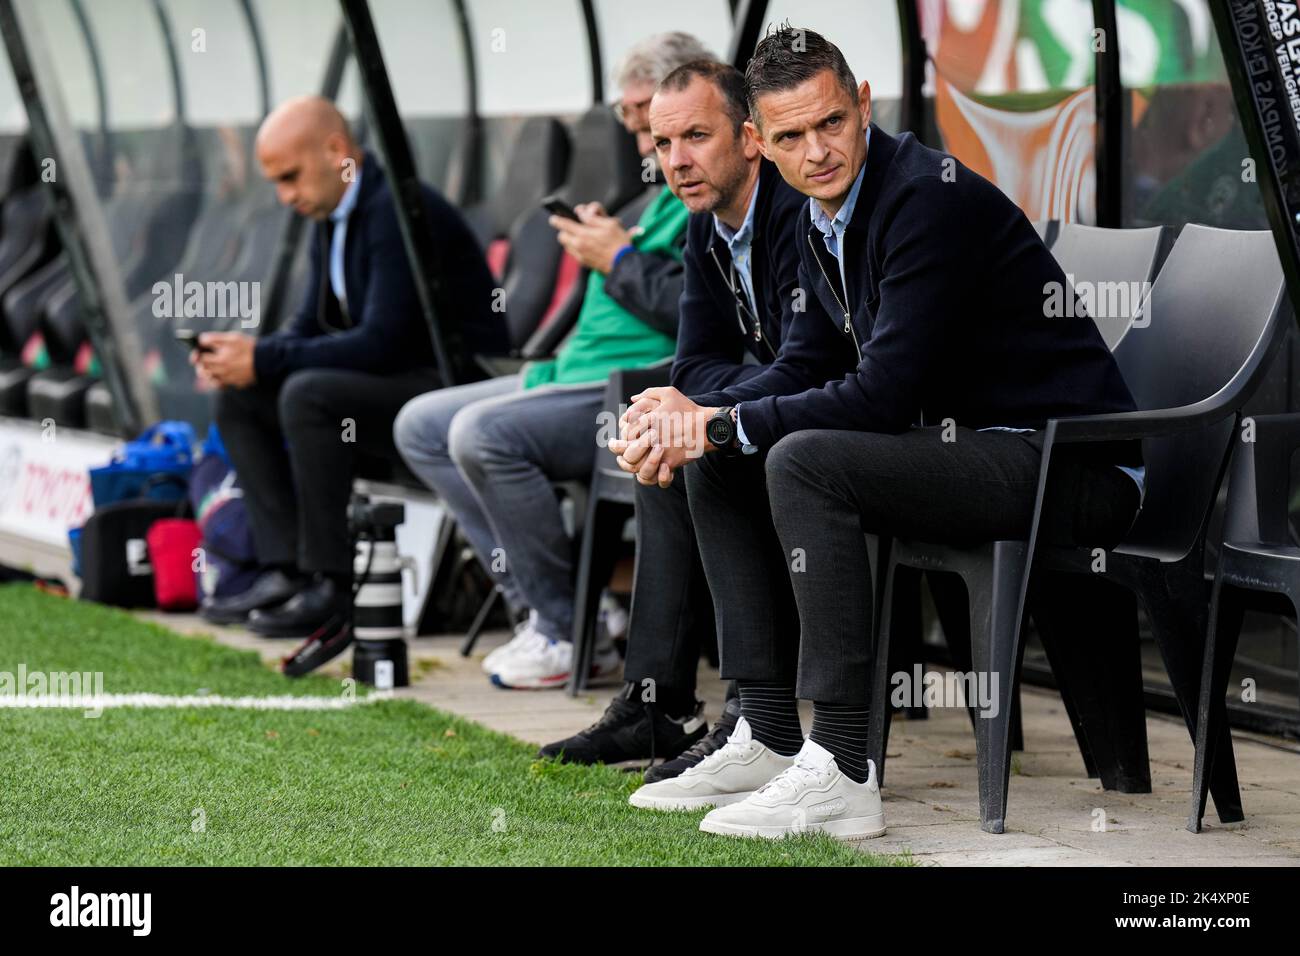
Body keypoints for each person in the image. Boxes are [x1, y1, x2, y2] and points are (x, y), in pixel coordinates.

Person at [613, 26, 1143, 840]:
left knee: (802, 461)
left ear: (864, 105)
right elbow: (803, 366)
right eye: (790, 136)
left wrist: (723, 424)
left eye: (830, 123)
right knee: (723, 461)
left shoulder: (923, 198)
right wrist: (694, 417)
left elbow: (881, 395)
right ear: (760, 142)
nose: (816, 150)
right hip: (969, 448)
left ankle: (844, 766)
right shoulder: (820, 214)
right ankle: (765, 729)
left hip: (1063, 462)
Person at [537, 60, 845, 776]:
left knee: (701, 440)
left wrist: (705, 411)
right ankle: (657, 705)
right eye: (662, 143)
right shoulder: (708, 228)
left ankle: (753, 715)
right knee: (662, 440)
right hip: (788, 406)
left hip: (845, 418)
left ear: (748, 139)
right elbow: (693, 360)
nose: (676, 161)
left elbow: (813, 364)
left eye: (696, 137)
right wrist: (684, 408)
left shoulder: (804, 206)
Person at [393, 32, 712, 690]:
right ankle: (549, 607)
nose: (649, 139)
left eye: (653, 115)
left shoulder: (707, 194)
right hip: (567, 373)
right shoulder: (655, 198)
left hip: (630, 388)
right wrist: (609, 246)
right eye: (637, 121)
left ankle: (569, 632)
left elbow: (700, 315)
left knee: (480, 433)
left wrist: (618, 259)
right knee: (418, 424)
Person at [195, 96, 507, 677]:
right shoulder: (333, 213)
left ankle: (333, 582)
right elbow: (315, 323)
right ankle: (284, 568)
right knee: (239, 397)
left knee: (308, 394)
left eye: (290, 177)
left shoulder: (397, 212)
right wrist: (242, 357)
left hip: (448, 387)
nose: (285, 196)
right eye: (276, 183)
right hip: (393, 380)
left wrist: (266, 357)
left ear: (336, 152)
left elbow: (381, 342)